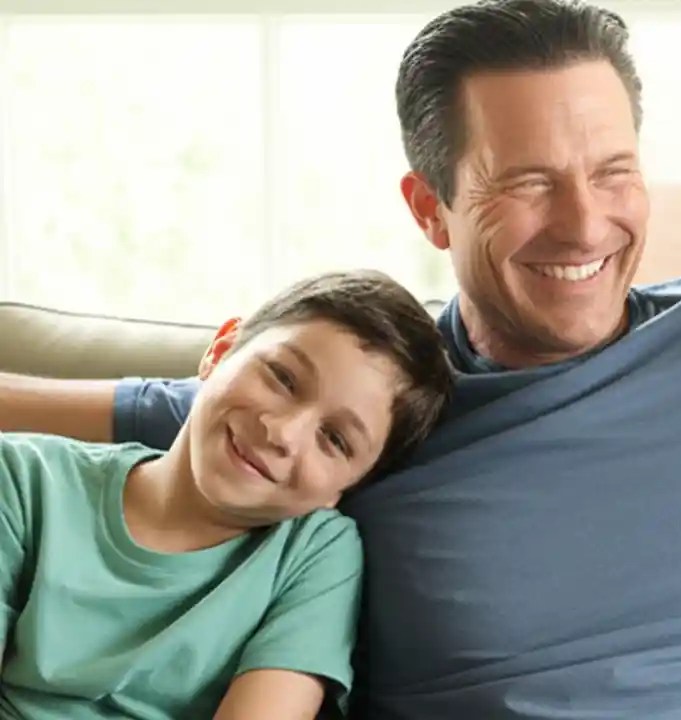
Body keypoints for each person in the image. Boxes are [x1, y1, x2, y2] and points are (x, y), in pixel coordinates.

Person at [0, 1, 681, 717]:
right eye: (527, 182)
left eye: (613, 170)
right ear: (429, 207)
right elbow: (88, 409)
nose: (584, 223)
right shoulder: (360, 407)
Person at [0, 270, 452, 719]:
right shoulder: (24, 479)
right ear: (220, 350)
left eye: (334, 440)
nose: (282, 433)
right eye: (282, 378)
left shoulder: (314, 555)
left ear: (347, 488)